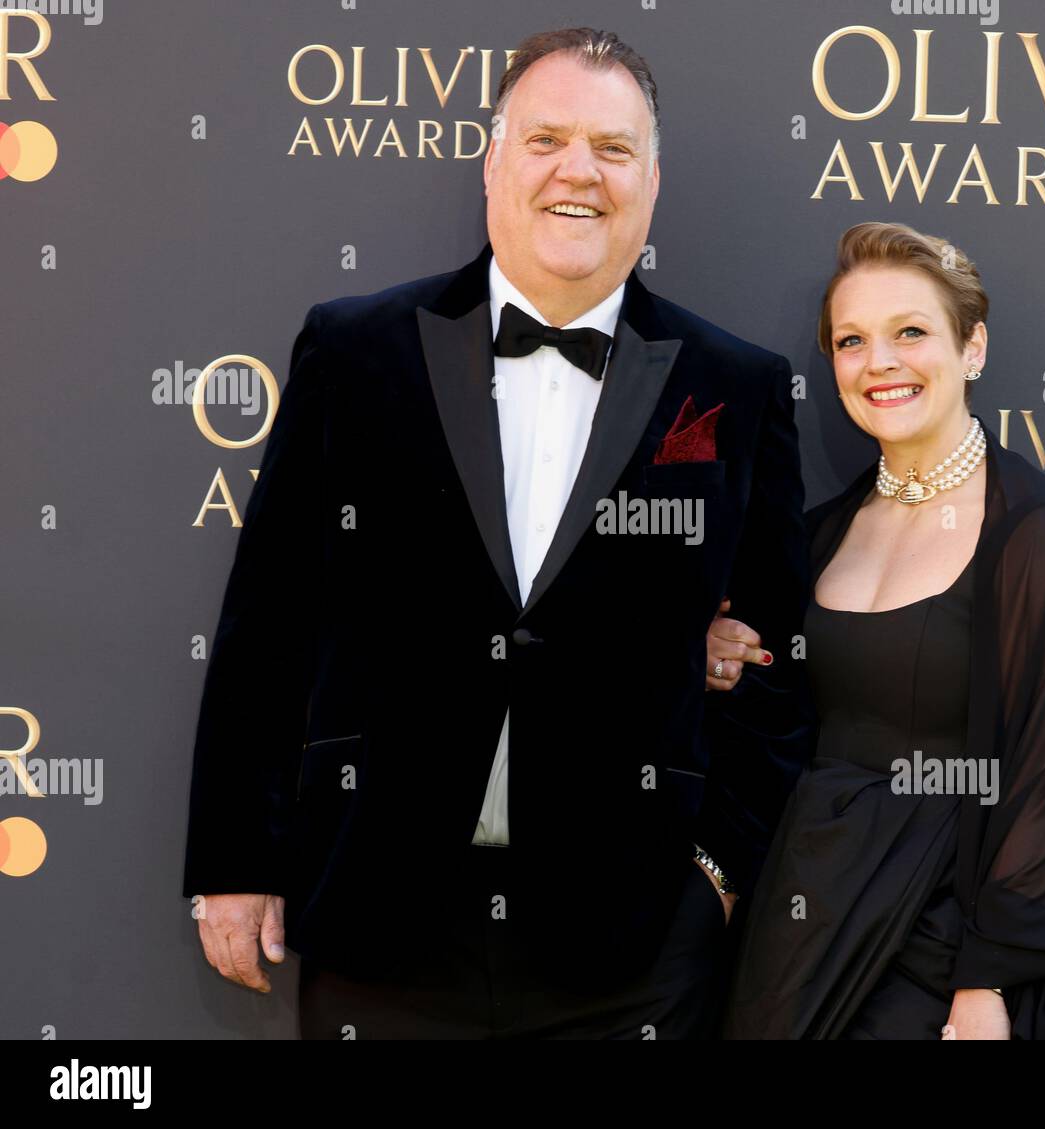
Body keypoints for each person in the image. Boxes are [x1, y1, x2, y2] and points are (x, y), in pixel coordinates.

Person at [181, 27, 814, 1039]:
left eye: (612, 149)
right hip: (379, 912)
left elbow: (781, 660)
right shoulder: (355, 351)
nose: (580, 170)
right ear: (492, 164)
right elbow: (269, 619)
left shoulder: (734, 386)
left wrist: (716, 876)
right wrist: (234, 861)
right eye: (546, 139)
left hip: (630, 943)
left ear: (651, 182)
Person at [708, 221, 1045, 1039]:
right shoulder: (818, 534)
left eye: (910, 332)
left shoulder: (1036, 535)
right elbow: (778, 723)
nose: (879, 361)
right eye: (852, 340)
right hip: (807, 928)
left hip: (952, 939)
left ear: (972, 346)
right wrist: (724, 655)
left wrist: (989, 980)